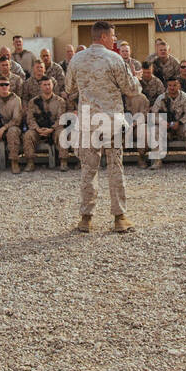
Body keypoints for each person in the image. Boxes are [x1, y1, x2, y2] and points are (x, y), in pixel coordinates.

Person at [65, 20, 140, 230]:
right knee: (115, 167)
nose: (115, 40)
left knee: (88, 169)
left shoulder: (77, 59)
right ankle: (119, 218)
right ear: (104, 37)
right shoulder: (114, 58)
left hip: (88, 121)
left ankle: (85, 219)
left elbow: (69, 87)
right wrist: (136, 79)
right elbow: (131, 90)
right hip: (111, 121)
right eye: (113, 37)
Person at [22, 76, 66, 172]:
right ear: (40, 87)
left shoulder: (60, 101)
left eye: (49, 84)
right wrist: (37, 129)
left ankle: (63, 161)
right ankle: (30, 162)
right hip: (39, 130)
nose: (47, 87)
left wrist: (52, 129)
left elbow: (61, 119)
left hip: (54, 129)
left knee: (62, 133)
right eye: (45, 85)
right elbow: (30, 118)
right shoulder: (33, 102)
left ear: (53, 85)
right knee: (28, 135)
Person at [152, 78, 186, 169]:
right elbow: (153, 115)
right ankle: (157, 159)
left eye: (174, 85)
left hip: (180, 126)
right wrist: (162, 122)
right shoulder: (161, 98)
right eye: (170, 85)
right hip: (165, 127)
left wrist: (179, 123)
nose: (172, 88)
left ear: (179, 86)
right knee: (155, 129)